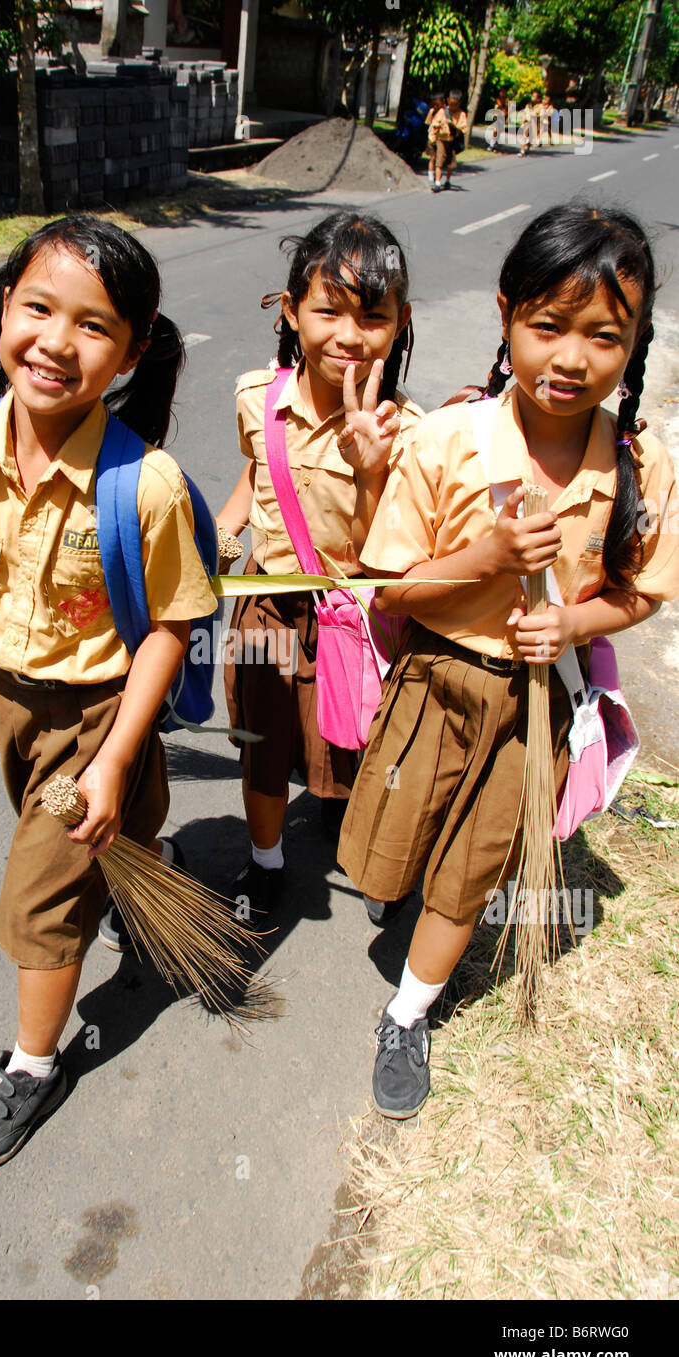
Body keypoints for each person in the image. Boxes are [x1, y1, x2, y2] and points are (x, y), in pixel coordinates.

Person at [0, 215, 217, 1171]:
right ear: (4, 307)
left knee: (40, 896)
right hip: (5, 703)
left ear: (133, 350)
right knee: (120, 823)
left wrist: (106, 755)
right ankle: (145, 876)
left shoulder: (144, 485)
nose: (58, 342)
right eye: (38, 307)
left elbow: (169, 631)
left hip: (100, 708)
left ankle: (30, 1066)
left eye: (95, 325)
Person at [339, 204, 679, 1121]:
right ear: (504, 316)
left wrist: (572, 624)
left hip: (539, 705)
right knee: (391, 849)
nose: (572, 358)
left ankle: (409, 1010)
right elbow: (391, 588)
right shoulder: (446, 442)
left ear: (634, 340)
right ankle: (401, 897)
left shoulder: (640, 462)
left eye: (605, 336)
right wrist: (482, 561)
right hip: (438, 685)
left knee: (476, 865)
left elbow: (644, 591)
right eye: (548, 326)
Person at [215, 211, 423, 923]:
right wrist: (222, 528)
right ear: (291, 310)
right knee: (263, 748)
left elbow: (389, 553)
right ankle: (267, 861)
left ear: (399, 323)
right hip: (267, 610)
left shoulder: (409, 433)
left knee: (365, 747)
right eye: (328, 310)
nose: (349, 335)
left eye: (372, 316)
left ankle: (369, 853)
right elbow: (259, 470)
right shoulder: (255, 397)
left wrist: (371, 472)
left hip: (356, 620)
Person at [425, 93, 454, 190]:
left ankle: (438, 182)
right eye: (434, 103)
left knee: (440, 161)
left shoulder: (446, 112)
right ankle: (431, 178)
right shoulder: (432, 111)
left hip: (443, 139)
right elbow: (428, 123)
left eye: (438, 102)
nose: (436, 105)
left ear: (443, 101)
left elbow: (447, 127)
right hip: (432, 138)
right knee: (432, 158)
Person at [443, 89, 468, 188]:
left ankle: (447, 180)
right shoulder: (443, 111)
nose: (453, 106)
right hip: (442, 138)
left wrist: (454, 127)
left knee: (450, 162)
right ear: (448, 100)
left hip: (452, 140)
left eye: (456, 104)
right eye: (451, 103)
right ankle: (436, 179)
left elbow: (463, 128)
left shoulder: (461, 114)